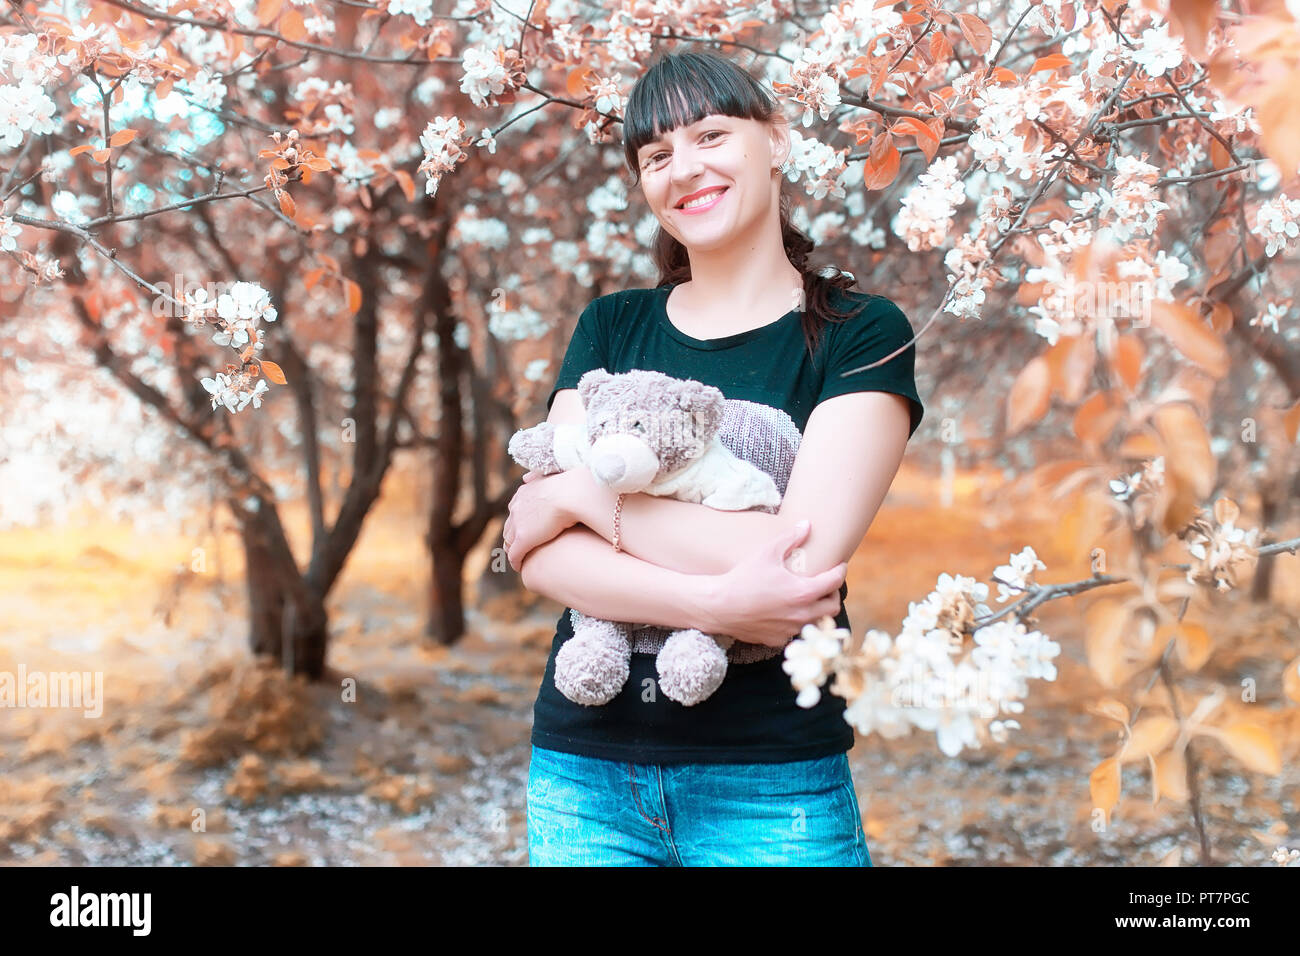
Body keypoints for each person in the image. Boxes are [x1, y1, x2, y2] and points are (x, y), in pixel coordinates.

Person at [502, 49, 924, 866]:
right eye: (656, 155)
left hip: (770, 784)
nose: (684, 167)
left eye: (710, 135)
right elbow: (540, 557)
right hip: (584, 774)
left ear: (777, 141)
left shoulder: (859, 334)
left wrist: (585, 500)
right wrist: (726, 607)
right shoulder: (612, 327)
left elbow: (797, 560)